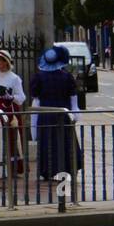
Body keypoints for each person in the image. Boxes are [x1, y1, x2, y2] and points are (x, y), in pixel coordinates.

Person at [29, 45, 81, 182]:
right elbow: (73, 97)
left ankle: (46, 170)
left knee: (47, 141)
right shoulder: (67, 76)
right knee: (65, 140)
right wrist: (75, 114)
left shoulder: (39, 77)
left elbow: (35, 96)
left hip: (45, 114)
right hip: (63, 113)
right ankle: (68, 168)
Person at [0, 47, 26, 175]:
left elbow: (21, 98)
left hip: (9, 110)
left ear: (6, 62)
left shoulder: (14, 78)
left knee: (11, 138)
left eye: (0, 60)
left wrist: (9, 97)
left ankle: (13, 168)